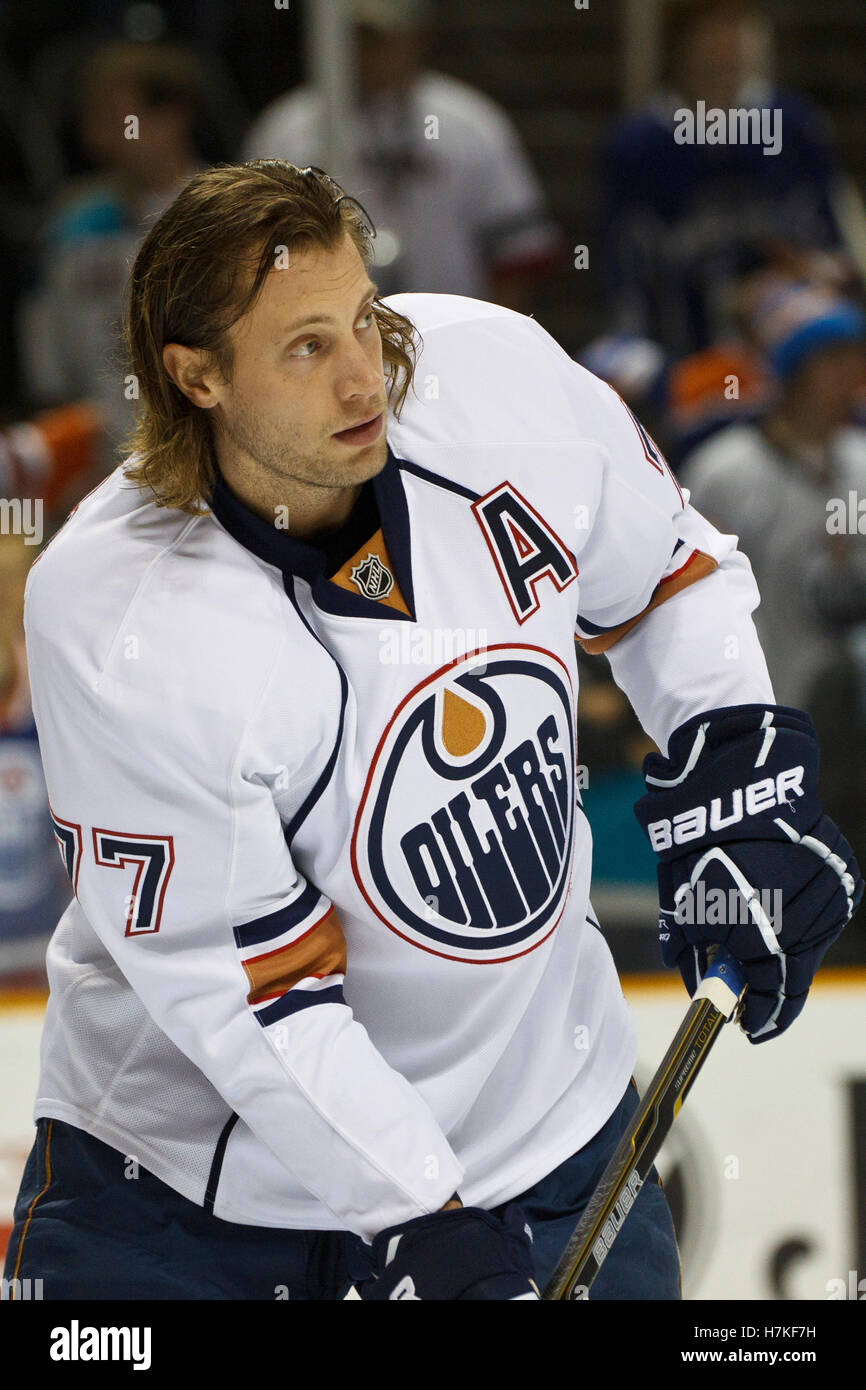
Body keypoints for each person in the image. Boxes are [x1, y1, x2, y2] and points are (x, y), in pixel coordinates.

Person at [4, 161, 860, 1302]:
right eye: (306, 346)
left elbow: (669, 574)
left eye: (363, 316)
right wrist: (425, 1222)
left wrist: (736, 780)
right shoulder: (120, 619)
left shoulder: (493, 376)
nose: (366, 374)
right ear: (194, 374)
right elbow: (263, 999)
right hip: (188, 1212)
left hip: (548, 1143)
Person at [243, 0, 564, 310]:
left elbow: (518, 253)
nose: (370, 52)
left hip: (447, 324)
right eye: (359, 37)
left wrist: (483, 332)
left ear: (417, 36)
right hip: (326, 328)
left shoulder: (470, 123)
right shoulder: (288, 129)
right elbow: (250, 250)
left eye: (382, 37)